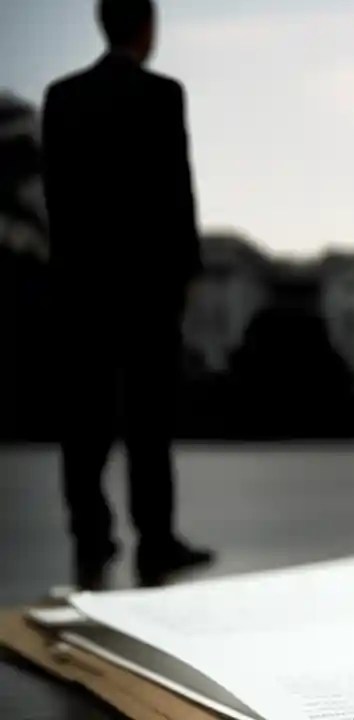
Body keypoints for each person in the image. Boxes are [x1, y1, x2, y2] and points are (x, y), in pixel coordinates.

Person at [42, 0, 213, 589]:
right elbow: (175, 187)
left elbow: (57, 199)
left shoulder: (62, 97)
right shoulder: (162, 95)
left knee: (84, 416)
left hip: (84, 281)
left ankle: (90, 534)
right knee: (149, 419)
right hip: (146, 284)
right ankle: (155, 538)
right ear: (147, 29)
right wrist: (185, 269)